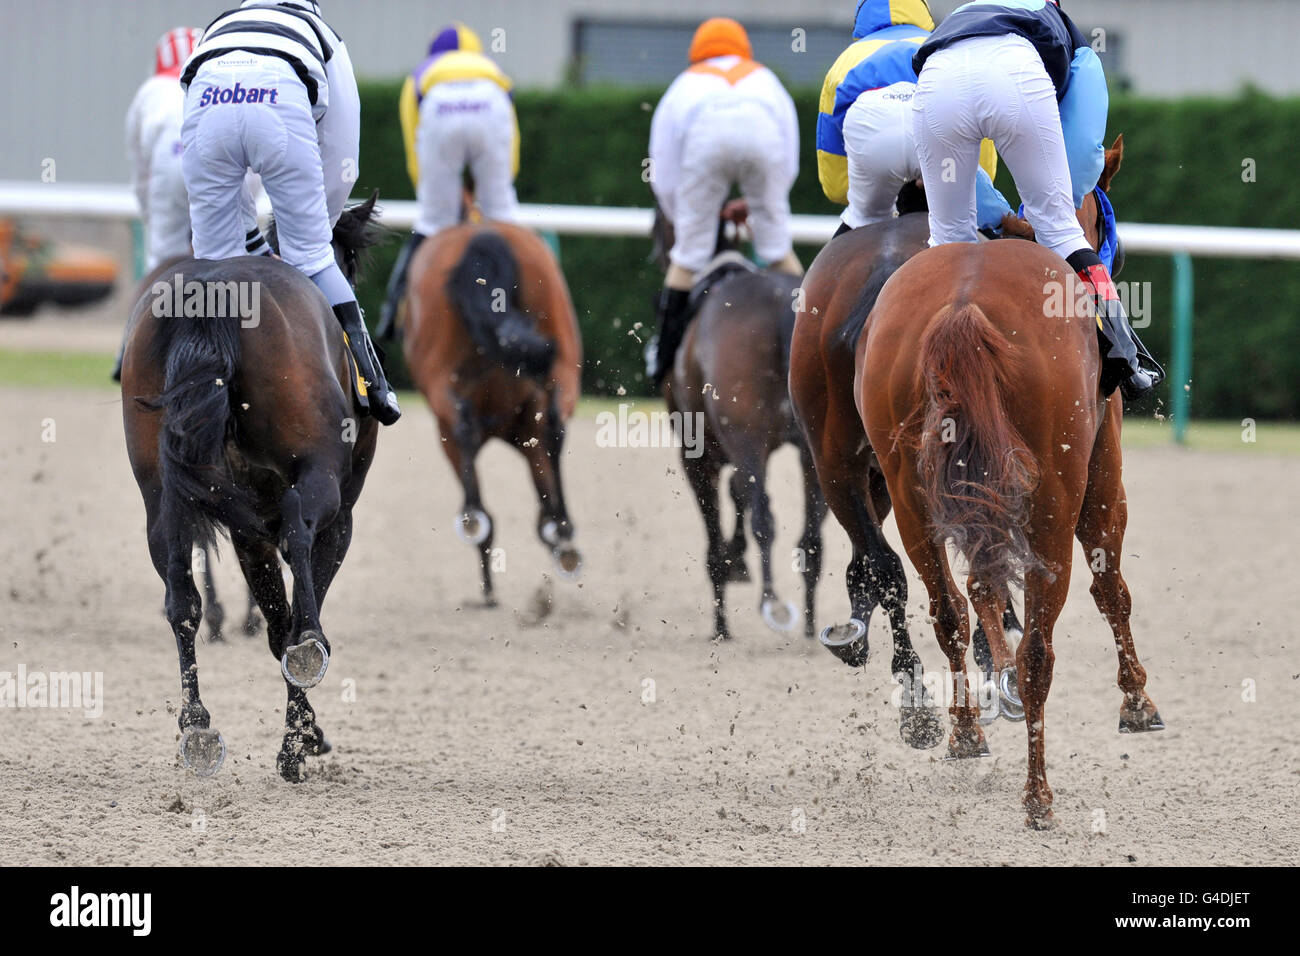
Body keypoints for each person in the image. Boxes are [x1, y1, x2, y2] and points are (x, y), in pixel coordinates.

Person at [911, 0, 1162, 399]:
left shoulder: (960, 14)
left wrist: (1000, 218)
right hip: (1013, 75)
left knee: (947, 243)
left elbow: (951, 178)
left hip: (935, 78)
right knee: (1062, 231)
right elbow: (1080, 153)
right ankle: (1127, 359)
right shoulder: (1068, 31)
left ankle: (909, 365)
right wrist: (1047, 213)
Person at [179, 0, 401, 423]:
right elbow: (341, 155)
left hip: (207, 98)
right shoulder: (322, 31)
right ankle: (375, 385)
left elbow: (195, 128)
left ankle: (187, 396)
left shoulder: (218, 26)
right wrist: (316, 229)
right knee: (314, 257)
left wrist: (249, 239)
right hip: (278, 102)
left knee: (212, 271)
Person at [645, 17, 802, 387]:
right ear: (742, 51)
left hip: (705, 144)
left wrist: (685, 221)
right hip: (764, 142)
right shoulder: (766, 79)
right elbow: (789, 157)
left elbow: (663, 174)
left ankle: (663, 360)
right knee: (778, 251)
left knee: (686, 258)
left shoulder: (683, 85)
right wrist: (761, 204)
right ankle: (810, 340)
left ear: (696, 55)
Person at [816, 0, 1009, 236]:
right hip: (940, 132)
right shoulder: (947, 46)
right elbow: (982, 155)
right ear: (924, 13)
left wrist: (886, 191)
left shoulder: (843, 61)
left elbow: (835, 182)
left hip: (874, 139)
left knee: (856, 227)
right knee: (993, 230)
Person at [376, 23, 518, 340]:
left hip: (438, 106)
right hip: (491, 100)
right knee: (504, 217)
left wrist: (440, 204)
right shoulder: (491, 68)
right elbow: (511, 154)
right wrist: (489, 202)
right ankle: (516, 308)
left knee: (432, 221)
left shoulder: (421, 74)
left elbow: (417, 156)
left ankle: (394, 314)